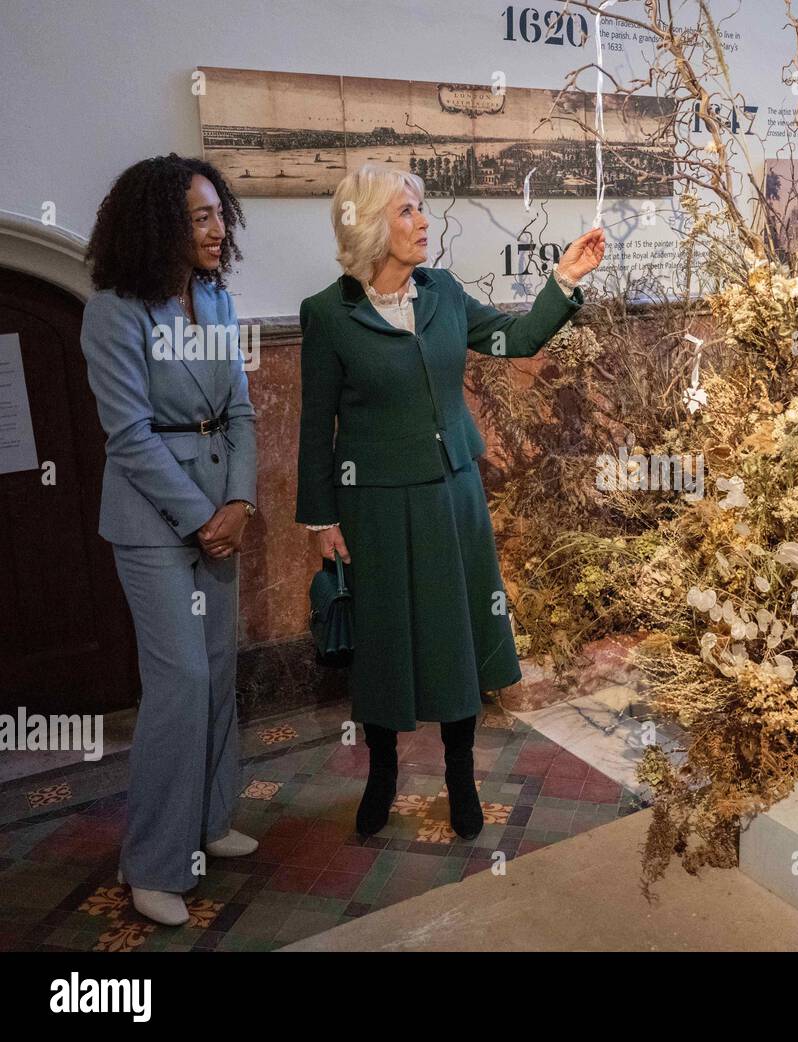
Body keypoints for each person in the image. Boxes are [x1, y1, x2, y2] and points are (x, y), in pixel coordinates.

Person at [296, 164, 604, 839]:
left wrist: (566, 279)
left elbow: (514, 340)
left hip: (452, 493)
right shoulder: (328, 315)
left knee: (457, 634)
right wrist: (321, 519)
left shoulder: (442, 294)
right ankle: (381, 774)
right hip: (373, 506)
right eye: (407, 211)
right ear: (372, 225)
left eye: (420, 209)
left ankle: (461, 774)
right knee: (384, 645)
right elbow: (315, 425)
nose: (423, 222)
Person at [80, 154, 260, 926]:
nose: (219, 229)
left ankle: (209, 824)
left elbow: (243, 413)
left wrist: (243, 499)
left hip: (222, 511)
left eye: (221, 213)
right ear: (158, 225)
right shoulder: (114, 312)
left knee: (217, 672)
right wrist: (202, 517)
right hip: (155, 526)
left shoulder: (217, 302)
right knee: (181, 681)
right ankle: (152, 859)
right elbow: (127, 436)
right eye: (201, 217)